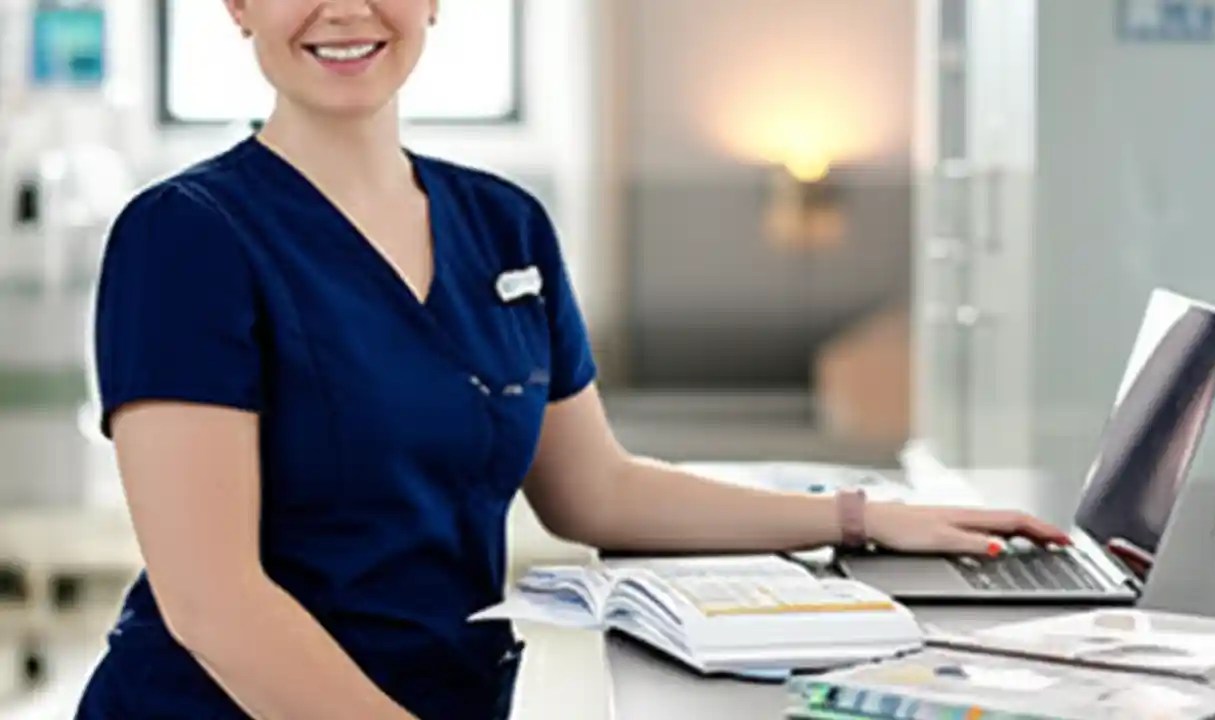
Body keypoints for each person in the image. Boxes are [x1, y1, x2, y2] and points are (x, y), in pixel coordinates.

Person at [76, 1, 1068, 718]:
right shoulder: (187, 238)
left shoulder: (502, 226)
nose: (346, 10)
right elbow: (213, 602)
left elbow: (595, 491)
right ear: (237, 6)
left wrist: (860, 517)